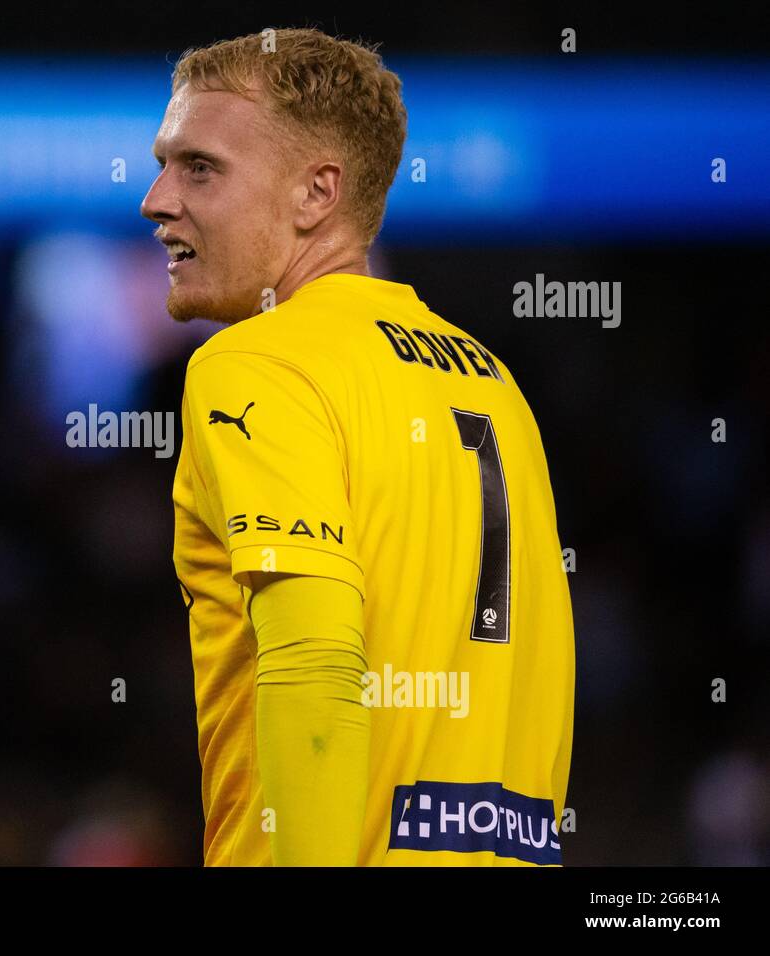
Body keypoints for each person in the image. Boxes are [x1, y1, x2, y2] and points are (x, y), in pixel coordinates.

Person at [142, 28, 575, 865]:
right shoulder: (495, 385)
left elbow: (313, 660)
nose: (156, 198)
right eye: (165, 162)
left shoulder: (256, 361)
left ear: (316, 194)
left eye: (200, 167)